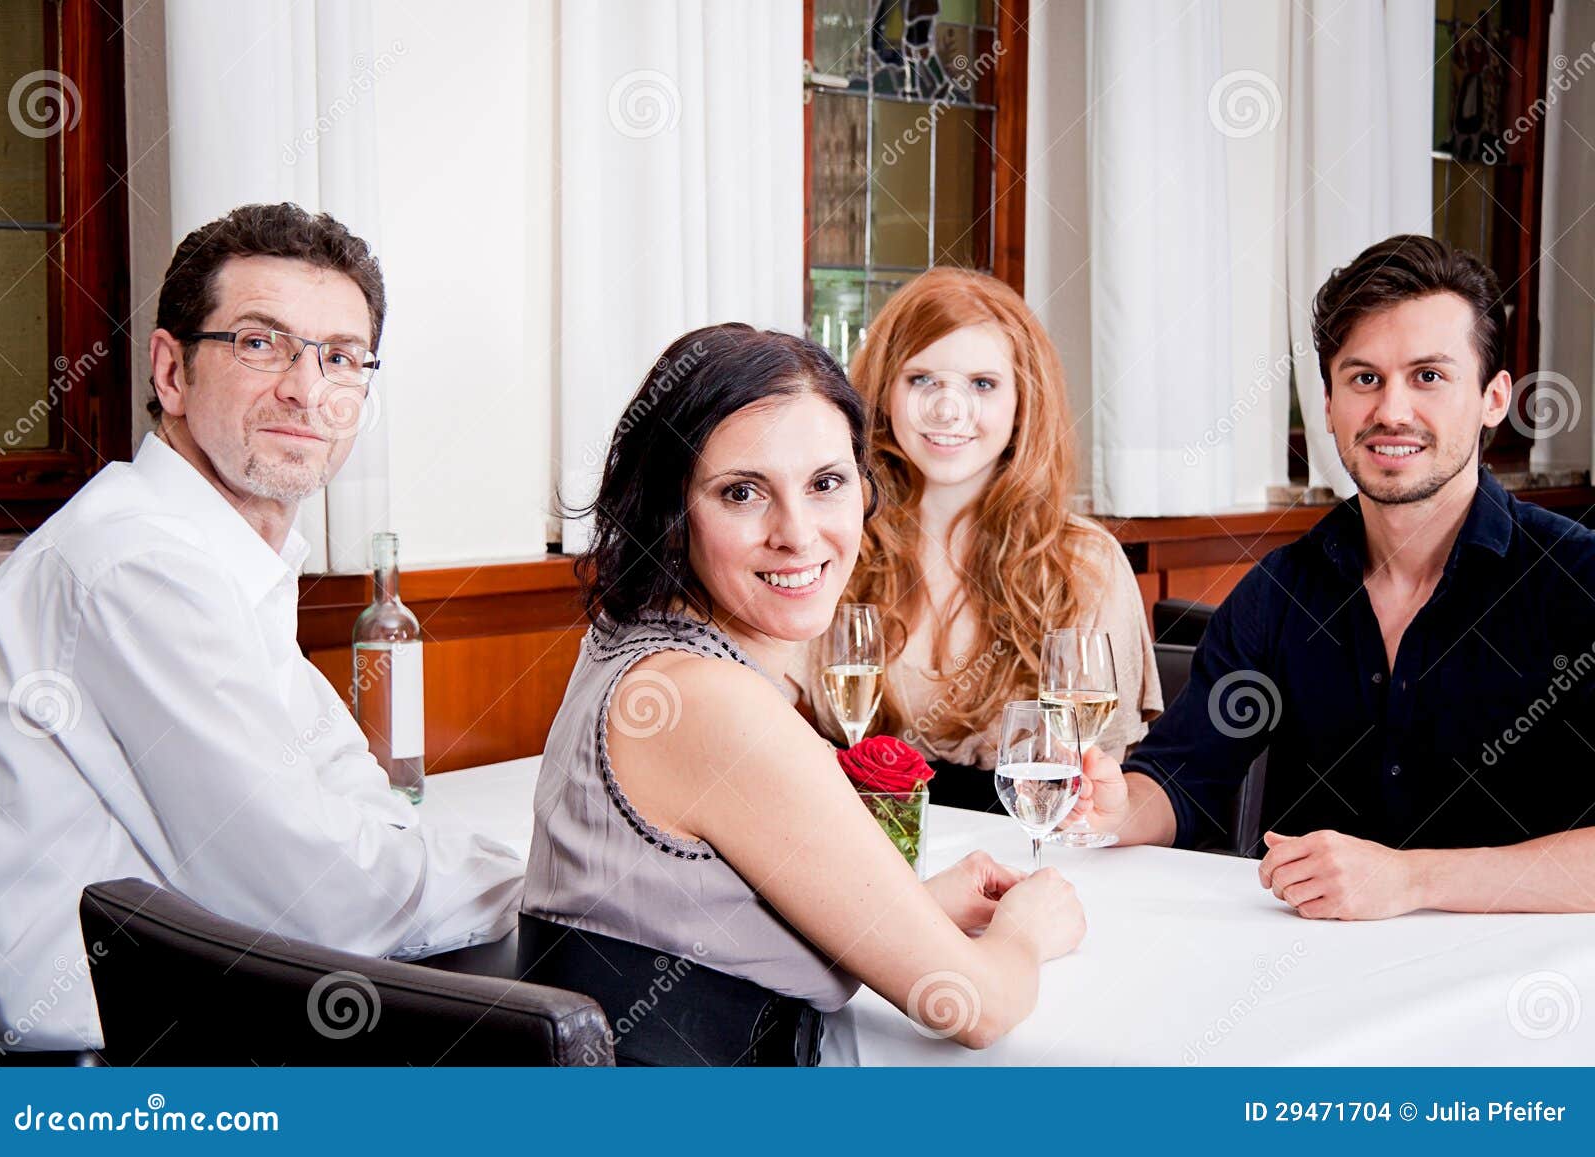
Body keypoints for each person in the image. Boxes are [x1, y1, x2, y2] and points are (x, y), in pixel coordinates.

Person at [0, 204, 523, 1060]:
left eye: (341, 358)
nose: (306, 390)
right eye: (259, 343)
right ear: (171, 372)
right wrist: (531, 880)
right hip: (107, 1080)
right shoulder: (135, 564)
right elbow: (316, 895)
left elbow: (355, 796)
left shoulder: (222, 560)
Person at [522, 323, 1084, 1064]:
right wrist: (1027, 928)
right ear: (670, 507)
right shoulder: (706, 702)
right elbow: (970, 1003)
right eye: (742, 492)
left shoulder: (633, 645)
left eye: (825, 483)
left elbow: (716, 925)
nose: (798, 533)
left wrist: (924, 902)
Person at [1077, 234, 1595, 920]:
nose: (1392, 410)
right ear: (1328, 405)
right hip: (1309, 982)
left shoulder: (1576, 579)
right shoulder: (1278, 592)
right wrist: (1115, 805)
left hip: (1527, 996)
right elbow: (1181, 782)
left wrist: (1411, 880)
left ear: (1494, 398)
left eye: (1429, 376)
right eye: (1364, 378)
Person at [795, 268, 1161, 811]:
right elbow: (769, 719)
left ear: (1022, 405)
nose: (949, 409)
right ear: (885, 394)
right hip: (863, 850)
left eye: (982, 384)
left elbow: (1098, 779)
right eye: (921, 379)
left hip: (1029, 856)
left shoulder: (1086, 562)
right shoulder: (831, 543)